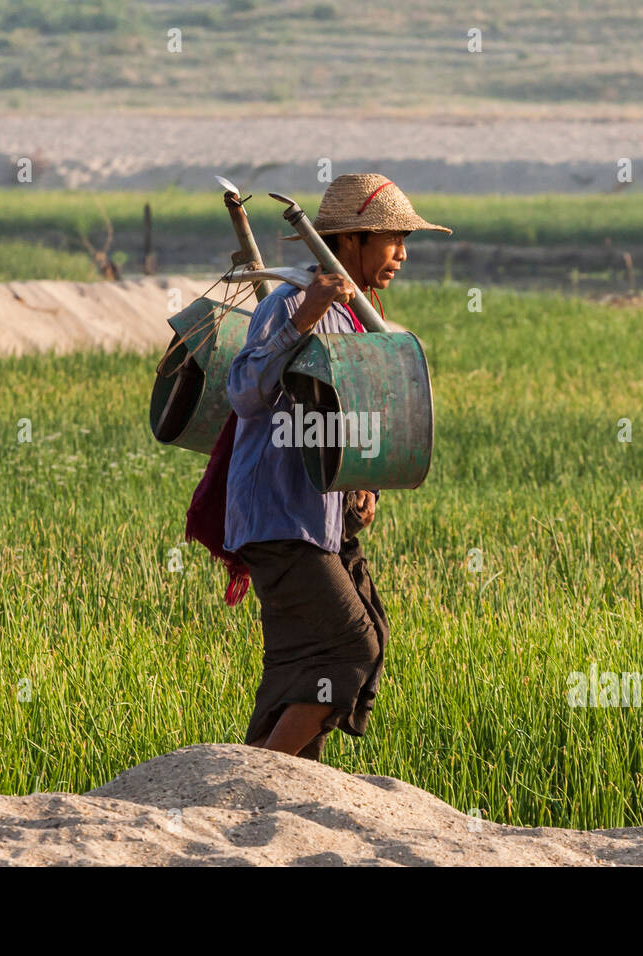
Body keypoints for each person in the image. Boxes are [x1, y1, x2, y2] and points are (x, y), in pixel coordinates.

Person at [224, 173, 451, 761]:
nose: (402, 254)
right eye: (392, 239)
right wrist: (304, 319)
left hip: (324, 519)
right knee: (350, 647)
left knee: (330, 648)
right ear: (349, 241)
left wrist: (364, 483)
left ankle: (276, 780)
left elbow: (349, 412)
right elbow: (246, 391)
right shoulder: (289, 302)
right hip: (280, 517)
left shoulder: (353, 318)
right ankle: (268, 776)